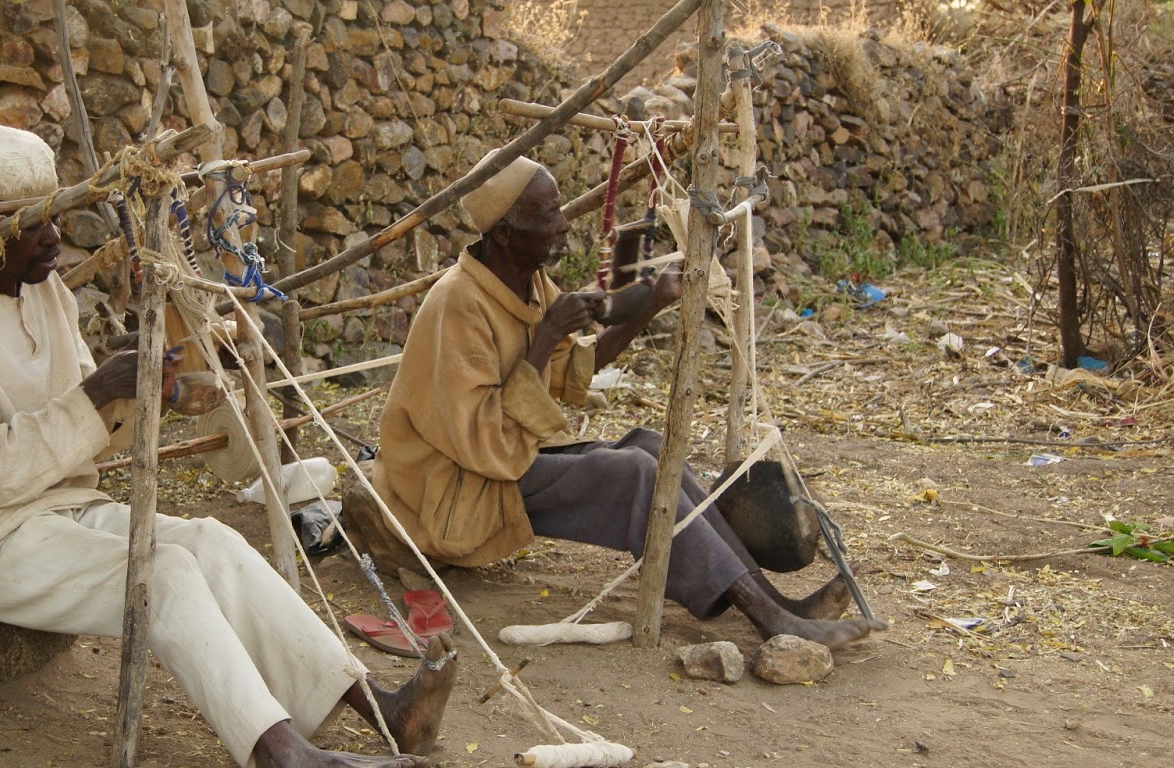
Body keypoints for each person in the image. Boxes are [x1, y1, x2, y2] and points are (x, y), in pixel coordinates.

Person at [0, 123, 455, 768]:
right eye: (37, 227)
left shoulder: (47, 295)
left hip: (56, 507)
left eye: (55, 217)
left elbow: (88, 435)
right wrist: (99, 393)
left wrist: (158, 388)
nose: (57, 238)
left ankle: (383, 709)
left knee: (211, 539)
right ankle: (284, 758)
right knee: (163, 571)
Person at [371, 154, 886, 648]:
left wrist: (654, 300)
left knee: (653, 451)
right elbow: (484, 442)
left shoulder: (525, 284)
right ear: (505, 232)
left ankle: (776, 604)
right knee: (632, 475)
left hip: (496, 460)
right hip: (449, 492)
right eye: (549, 214)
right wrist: (548, 334)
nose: (564, 224)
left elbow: (578, 370)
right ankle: (770, 618)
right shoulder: (458, 305)